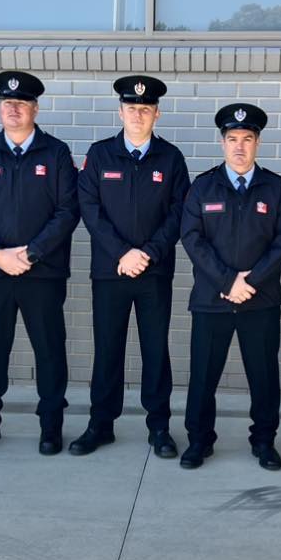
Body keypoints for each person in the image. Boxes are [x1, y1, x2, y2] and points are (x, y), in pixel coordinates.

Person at [0, 71, 80, 456]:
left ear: (35, 109)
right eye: (7, 103)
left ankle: (50, 427)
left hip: (42, 272)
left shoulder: (56, 153)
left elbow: (67, 211)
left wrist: (30, 253)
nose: (13, 108)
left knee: (49, 350)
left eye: (21, 103)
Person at [68, 76, 190, 459]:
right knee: (107, 350)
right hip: (110, 271)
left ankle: (159, 428)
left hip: (154, 273)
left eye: (145, 109)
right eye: (131, 109)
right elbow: (90, 209)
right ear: (120, 112)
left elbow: (179, 214)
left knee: (156, 351)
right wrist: (122, 253)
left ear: (157, 113)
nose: (138, 115)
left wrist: (147, 253)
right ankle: (100, 425)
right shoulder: (100, 155)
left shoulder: (171, 158)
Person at [179, 103, 281, 471]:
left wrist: (251, 281)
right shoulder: (203, 186)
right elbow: (192, 238)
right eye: (232, 139)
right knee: (202, 378)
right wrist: (229, 280)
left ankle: (264, 442)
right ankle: (199, 441)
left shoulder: (274, 187)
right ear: (222, 143)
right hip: (211, 299)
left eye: (247, 139)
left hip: (259, 301)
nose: (240, 147)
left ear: (257, 142)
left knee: (263, 378)